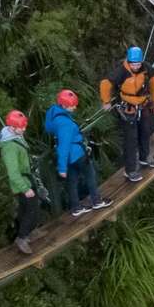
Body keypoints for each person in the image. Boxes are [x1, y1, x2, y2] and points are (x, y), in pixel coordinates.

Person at [100, 45, 154, 184]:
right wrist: (106, 101)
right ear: (129, 62)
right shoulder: (122, 71)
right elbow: (106, 84)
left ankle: (145, 158)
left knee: (146, 132)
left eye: (138, 63)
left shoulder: (146, 68)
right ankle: (130, 170)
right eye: (134, 64)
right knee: (131, 140)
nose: (136, 66)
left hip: (144, 105)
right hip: (128, 109)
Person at [45, 89, 107, 217]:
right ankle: (96, 201)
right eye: (72, 106)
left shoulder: (53, 112)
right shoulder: (65, 124)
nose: (74, 107)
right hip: (77, 154)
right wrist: (61, 168)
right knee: (90, 174)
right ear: (64, 105)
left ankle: (76, 207)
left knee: (72, 181)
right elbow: (64, 146)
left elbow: (50, 129)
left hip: (70, 158)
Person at [0, 109, 39, 254]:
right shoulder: (9, 147)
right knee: (31, 210)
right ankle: (22, 238)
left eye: (24, 126)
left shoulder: (15, 137)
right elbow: (13, 172)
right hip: (22, 183)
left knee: (26, 209)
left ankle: (27, 232)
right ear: (12, 128)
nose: (24, 129)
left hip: (27, 178)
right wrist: (24, 188)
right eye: (21, 127)